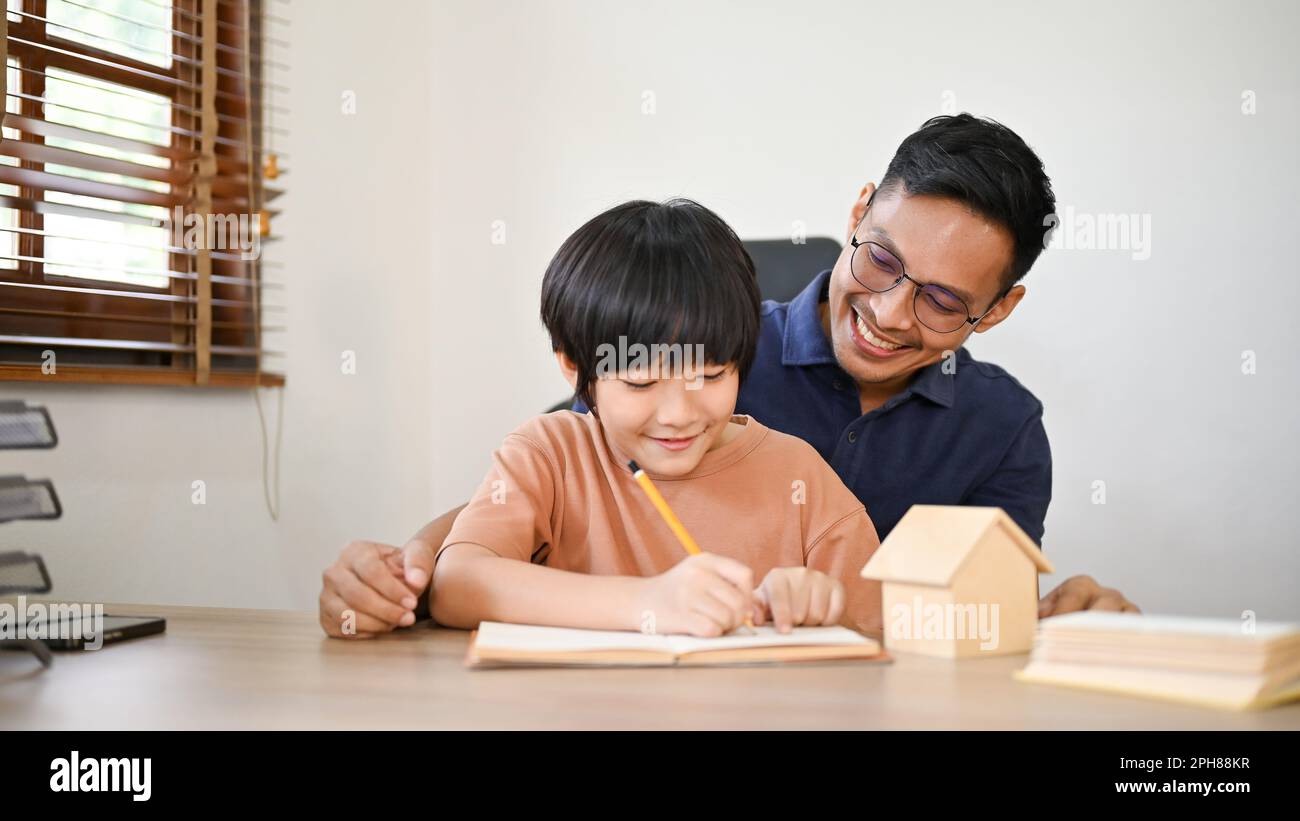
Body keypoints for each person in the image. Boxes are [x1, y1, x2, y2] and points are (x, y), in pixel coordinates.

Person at [319, 114, 1138, 639]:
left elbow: (962, 613)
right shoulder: (707, 335)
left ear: (997, 309)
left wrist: (1053, 616)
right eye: (883, 260)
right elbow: (561, 479)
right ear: (858, 213)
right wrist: (413, 565)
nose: (890, 312)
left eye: (943, 300)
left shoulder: (1003, 429)